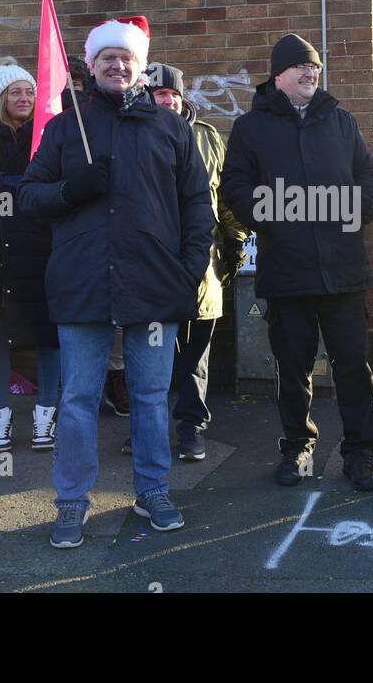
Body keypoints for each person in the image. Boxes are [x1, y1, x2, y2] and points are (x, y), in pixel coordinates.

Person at [19, 15, 213, 547]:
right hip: (82, 286)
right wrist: (71, 189)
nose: (117, 65)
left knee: (151, 397)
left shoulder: (170, 128)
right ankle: (72, 502)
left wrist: (189, 269)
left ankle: (153, 491)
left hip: (154, 288)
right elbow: (28, 197)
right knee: (79, 397)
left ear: (140, 66)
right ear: (92, 66)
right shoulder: (66, 128)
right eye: (107, 58)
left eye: (126, 58)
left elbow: (198, 205)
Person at [220, 33, 373, 490]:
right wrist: (272, 215)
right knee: (293, 370)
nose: (311, 73)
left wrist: (358, 207)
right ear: (279, 75)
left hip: (344, 272)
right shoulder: (252, 127)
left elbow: (368, 174)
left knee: (353, 369)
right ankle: (297, 448)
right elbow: (234, 185)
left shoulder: (341, 121)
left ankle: (360, 454)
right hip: (287, 272)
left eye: (315, 67)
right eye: (301, 67)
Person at [141, 62, 249, 461]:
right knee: (149, 355)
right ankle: (146, 431)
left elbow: (226, 198)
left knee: (193, 357)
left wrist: (235, 242)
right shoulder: (133, 135)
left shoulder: (208, 139)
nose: (165, 100)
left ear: (182, 98)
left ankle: (191, 429)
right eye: (157, 94)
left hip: (202, 265)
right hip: (150, 265)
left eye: (171, 94)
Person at [0, 58, 60, 453]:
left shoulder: (47, 133)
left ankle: (45, 419)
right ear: (1, 98)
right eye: (15, 92)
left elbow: (50, 184)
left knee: (48, 336)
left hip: (44, 250)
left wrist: (0, 180)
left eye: (29, 92)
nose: (24, 98)